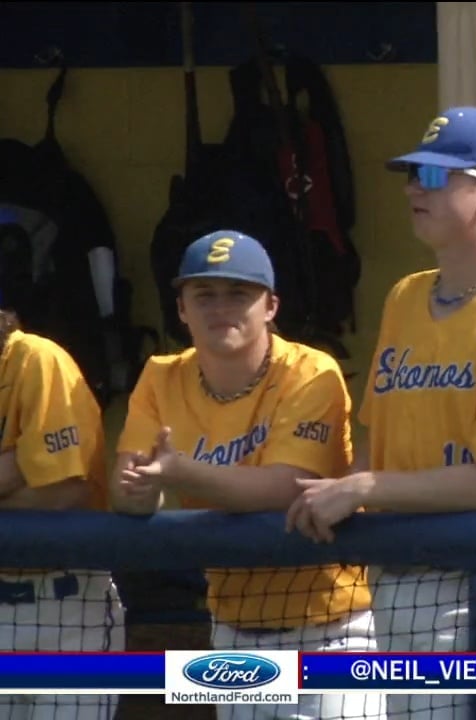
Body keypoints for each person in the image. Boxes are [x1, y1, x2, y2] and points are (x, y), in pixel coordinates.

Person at [284, 106, 476, 720]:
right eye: (412, 173)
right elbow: (380, 440)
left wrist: (362, 486)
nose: (414, 187)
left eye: (436, 176)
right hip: (393, 578)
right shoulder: (405, 297)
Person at [111, 230, 382, 720]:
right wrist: (141, 489)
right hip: (232, 629)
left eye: (239, 293)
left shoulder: (310, 371)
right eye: (204, 295)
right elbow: (128, 490)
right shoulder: (160, 375)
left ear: (271, 306)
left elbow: (286, 486)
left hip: (331, 628)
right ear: (182, 310)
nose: (221, 308)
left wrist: (177, 472)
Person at [0, 298, 124, 720]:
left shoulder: (34, 358)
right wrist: (18, 465)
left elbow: (62, 492)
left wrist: (27, 466)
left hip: (65, 607)